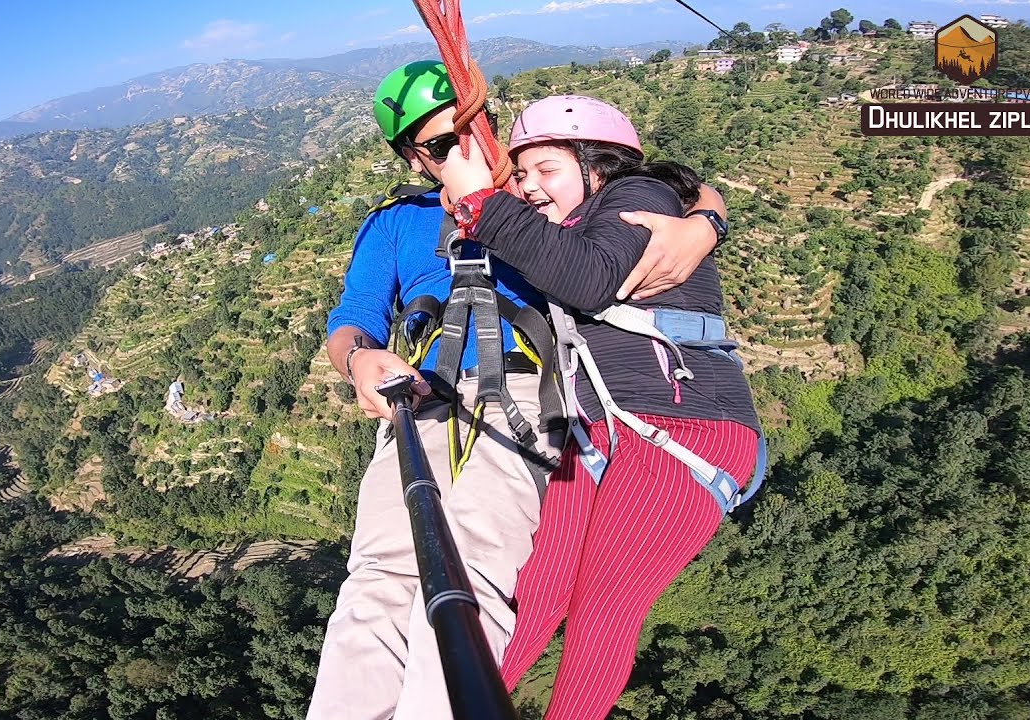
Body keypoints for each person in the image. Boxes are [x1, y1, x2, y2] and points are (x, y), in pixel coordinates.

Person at [309, 62, 726, 720]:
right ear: (416, 160)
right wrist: (358, 359)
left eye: (472, 131)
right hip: (417, 393)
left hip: (525, 396)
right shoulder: (394, 224)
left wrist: (706, 216)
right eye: (442, 146)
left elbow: (648, 188)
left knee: (468, 567)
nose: (464, 151)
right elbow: (351, 320)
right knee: (379, 579)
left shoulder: (544, 202)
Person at [438, 95, 765, 719]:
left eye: (548, 171)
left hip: (687, 428)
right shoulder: (573, 228)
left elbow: (591, 278)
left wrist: (487, 202)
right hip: (604, 434)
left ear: (598, 167)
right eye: (523, 175)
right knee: (533, 595)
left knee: (602, 609)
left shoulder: (637, 198)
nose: (531, 188)